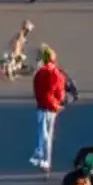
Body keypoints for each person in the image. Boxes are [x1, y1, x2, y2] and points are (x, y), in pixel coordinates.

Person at [32, 45, 67, 176]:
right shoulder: (54, 72)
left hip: (41, 107)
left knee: (42, 134)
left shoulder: (40, 72)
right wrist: (57, 104)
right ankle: (46, 161)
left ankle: (43, 159)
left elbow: (37, 90)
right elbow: (58, 90)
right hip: (50, 108)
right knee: (48, 134)